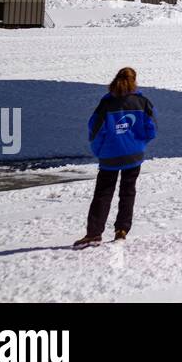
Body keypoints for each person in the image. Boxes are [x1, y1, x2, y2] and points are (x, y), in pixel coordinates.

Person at [74, 67, 157, 249]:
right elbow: (152, 129)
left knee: (103, 194)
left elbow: (95, 130)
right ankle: (122, 230)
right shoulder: (142, 102)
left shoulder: (106, 103)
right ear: (134, 80)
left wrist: (100, 151)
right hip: (134, 155)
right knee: (128, 193)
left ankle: (94, 233)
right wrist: (139, 144)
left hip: (109, 156)